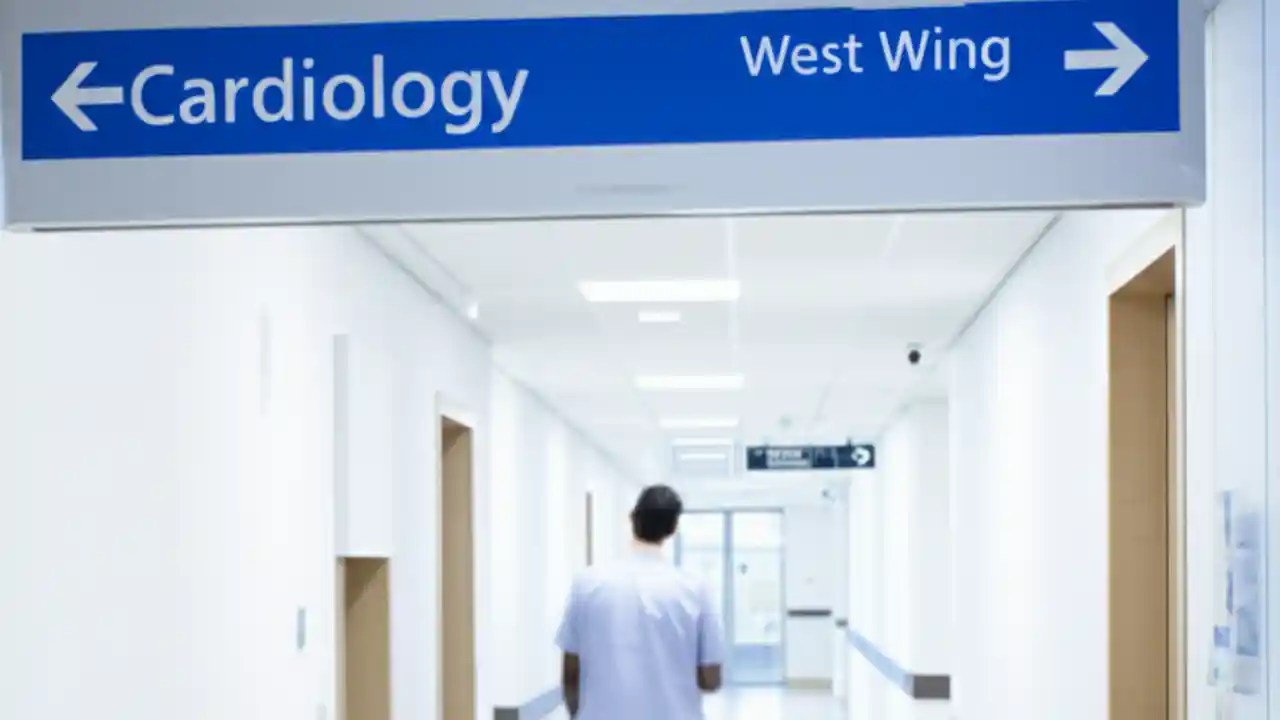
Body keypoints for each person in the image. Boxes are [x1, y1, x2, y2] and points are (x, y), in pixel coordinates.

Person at [555, 485, 726, 719]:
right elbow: (710, 679)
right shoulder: (696, 589)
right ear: (673, 528)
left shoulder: (587, 583)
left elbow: (571, 673)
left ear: (632, 518)